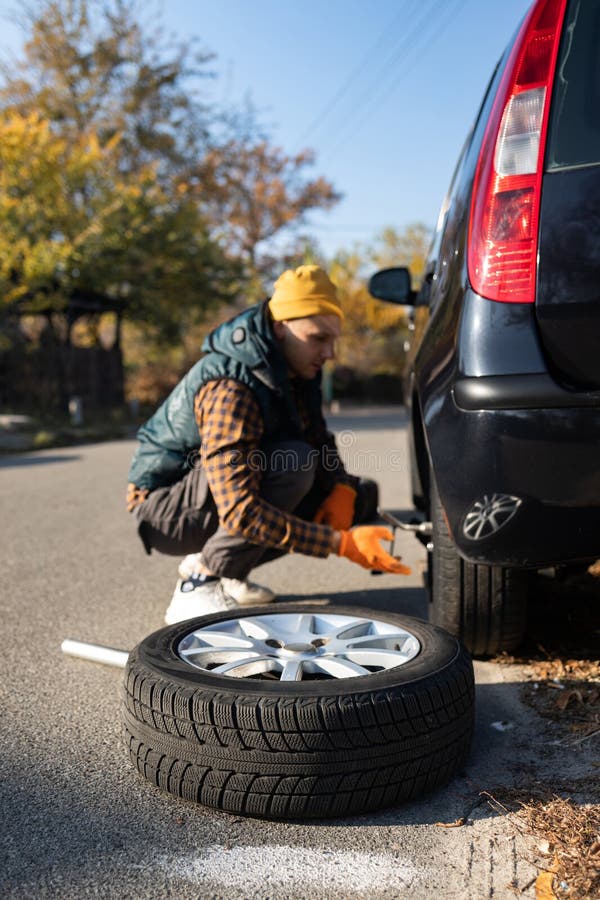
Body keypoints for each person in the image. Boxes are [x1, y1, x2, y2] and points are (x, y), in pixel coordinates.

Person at [126, 264, 410, 624]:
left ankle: (229, 570)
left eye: (333, 339)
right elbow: (240, 510)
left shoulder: (294, 369)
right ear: (281, 327)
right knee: (295, 465)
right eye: (319, 338)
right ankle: (201, 581)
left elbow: (318, 437)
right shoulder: (231, 386)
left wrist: (341, 488)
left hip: (209, 497)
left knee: (340, 485)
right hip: (165, 509)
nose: (330, 352)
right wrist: (340, 545)